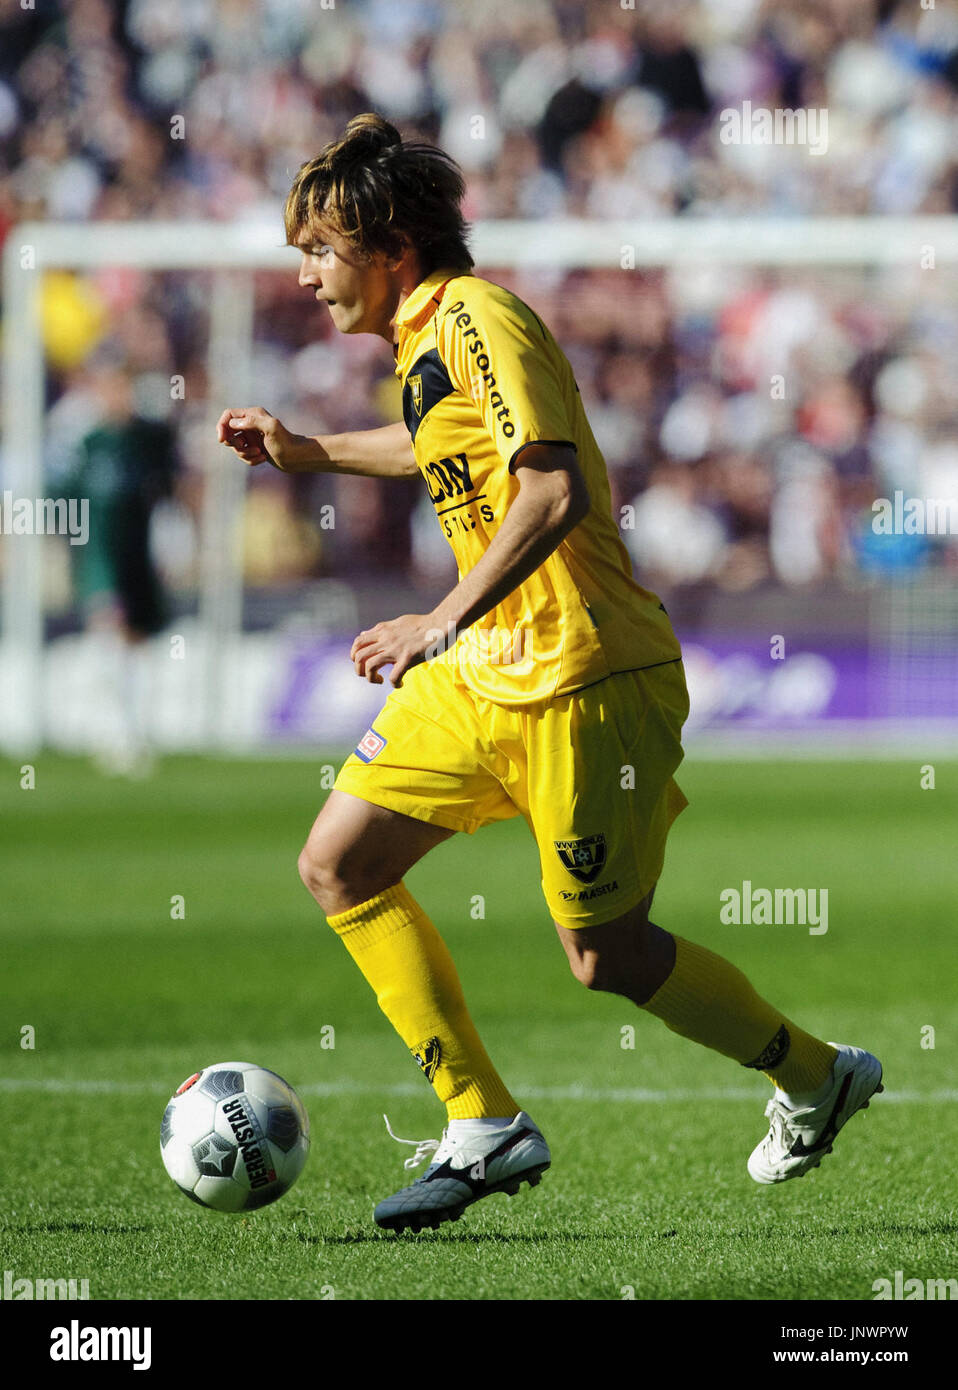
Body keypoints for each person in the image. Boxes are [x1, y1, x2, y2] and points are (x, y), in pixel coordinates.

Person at [217, 114, 882, 1234]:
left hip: (584, 675)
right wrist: (311, 451)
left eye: (321, 251)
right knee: (339, 863)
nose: (306, 274)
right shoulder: (421, 340)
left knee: (605, 956)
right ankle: (481, 1121)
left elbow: (551, 487)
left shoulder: (480, 317)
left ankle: (817, 1075)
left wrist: (436, 617)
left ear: (391, 248)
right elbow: (440, 445)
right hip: (484, 671)